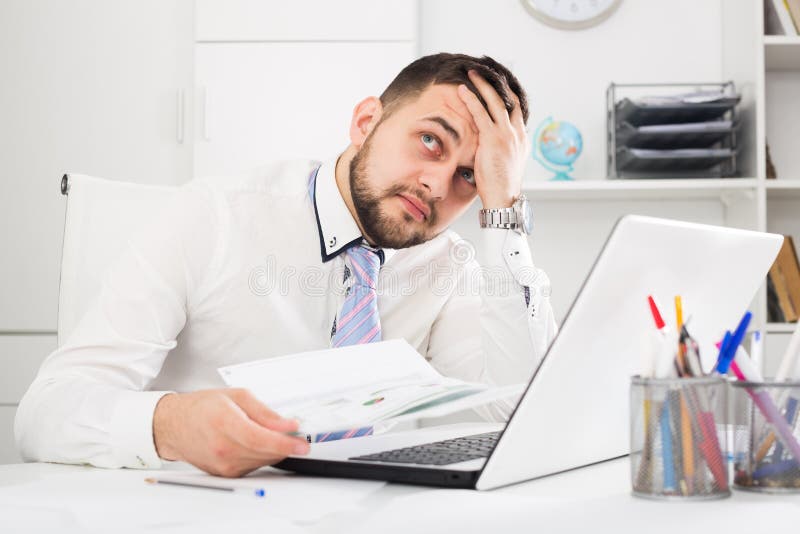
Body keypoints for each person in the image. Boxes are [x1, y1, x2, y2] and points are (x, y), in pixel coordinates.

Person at [15, 53, 557, 478]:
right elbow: (45, 414)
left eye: (471, 176)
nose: (438, 185)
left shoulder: (449, 267)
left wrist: (504, 211)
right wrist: (169, 426)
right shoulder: (213, 217)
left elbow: (521, 412)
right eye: (430, 141)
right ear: (367, 121)